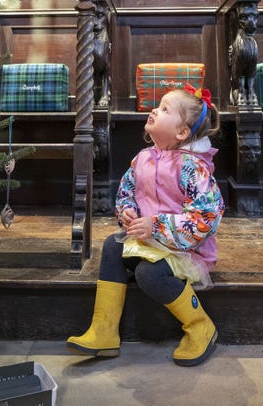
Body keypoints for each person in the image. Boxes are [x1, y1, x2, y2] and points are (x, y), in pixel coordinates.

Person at [67, 85, 224, 366]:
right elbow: (126, 191)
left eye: (164, 109)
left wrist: (157, 226)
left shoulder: (192, 167)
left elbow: (206, 217)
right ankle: (104, 331)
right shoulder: (143, 158)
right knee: (112, 246)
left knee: (148, 273)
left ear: (181, 132)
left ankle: (200, 326)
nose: (154, 110)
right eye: (158, 106)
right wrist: (127, 211)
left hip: (185, 251)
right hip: (150, 241)